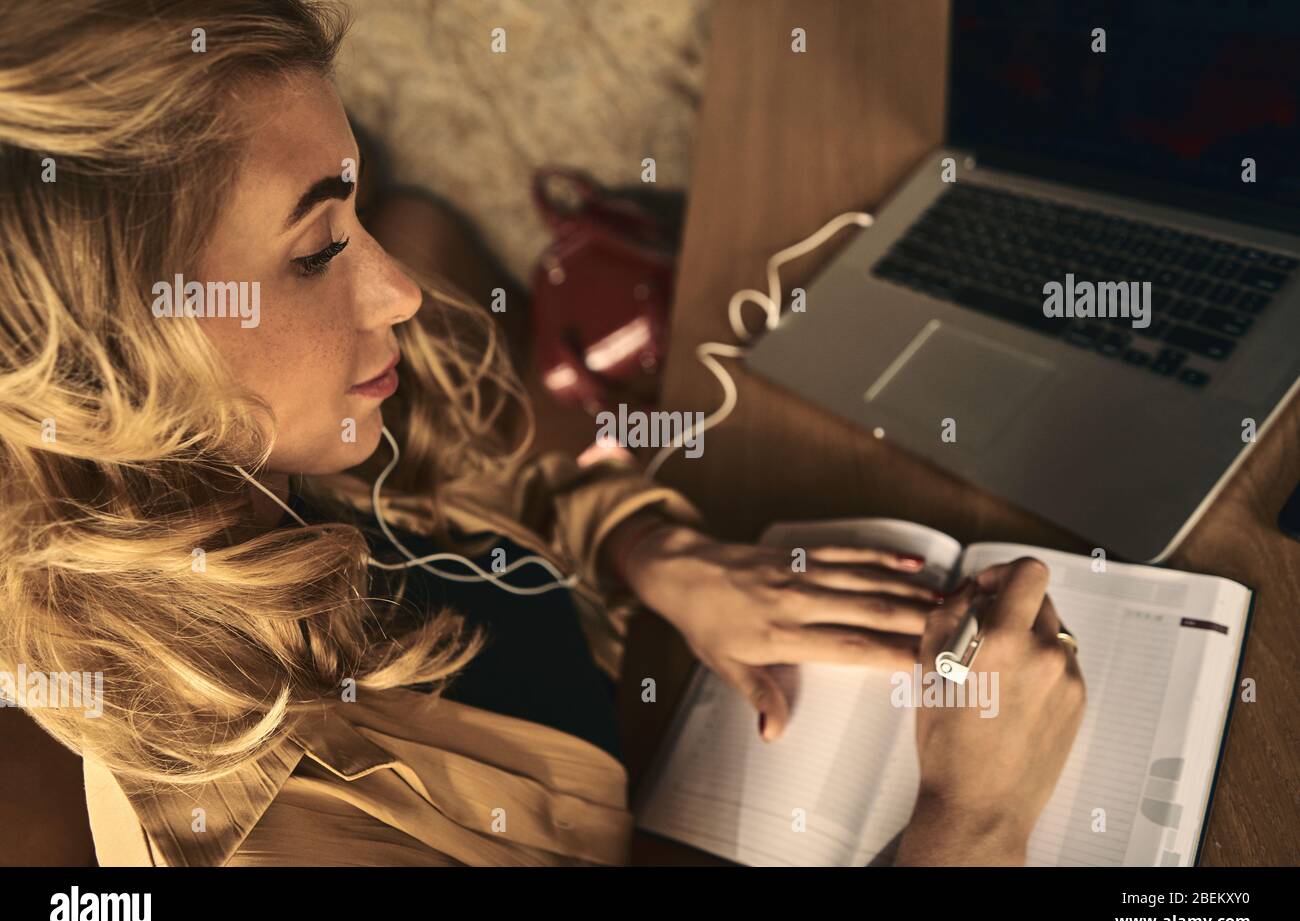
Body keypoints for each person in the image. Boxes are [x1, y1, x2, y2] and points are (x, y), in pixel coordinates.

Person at [0, 0, 1083, 866]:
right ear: (107, 353)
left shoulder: (275, 442)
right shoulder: (258, 823)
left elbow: (479, 498)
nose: (398, 293)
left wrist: (646, 547)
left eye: (355, 213)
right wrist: (972, 821)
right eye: (317, 249)